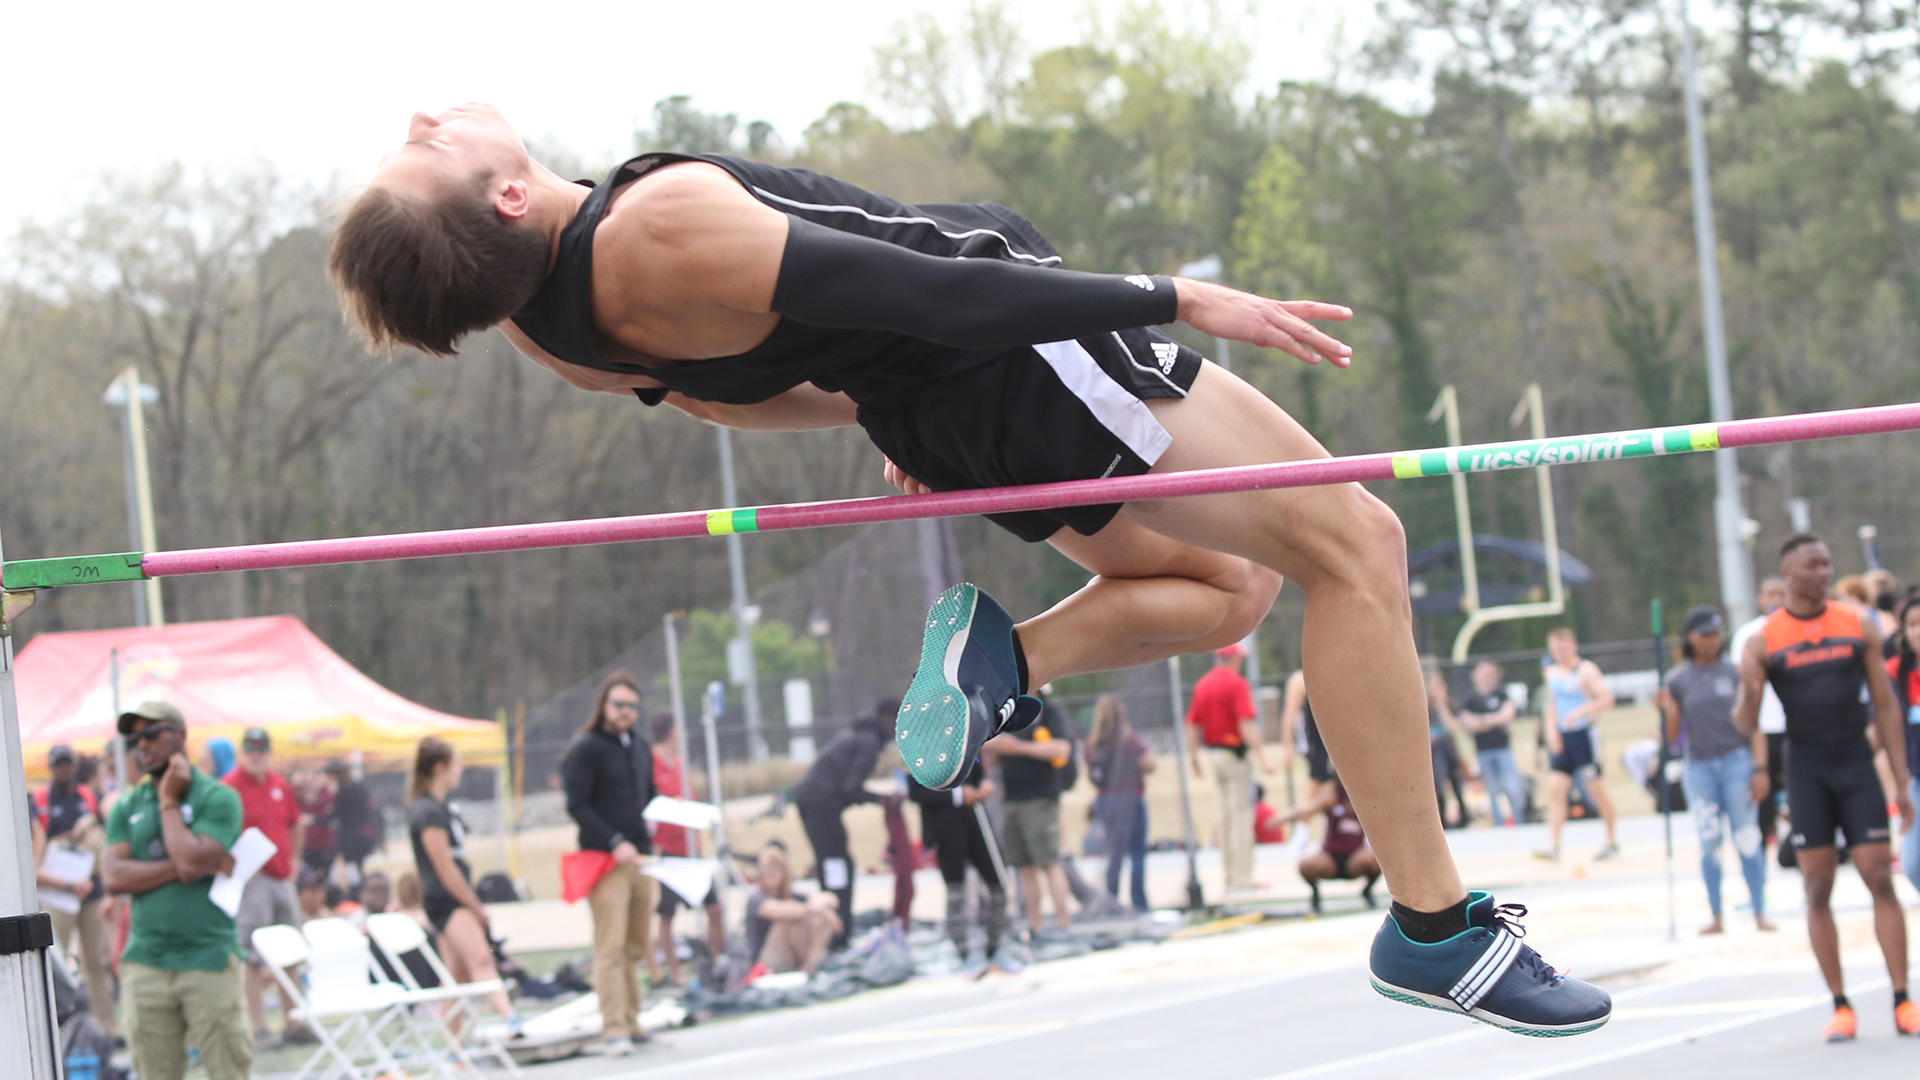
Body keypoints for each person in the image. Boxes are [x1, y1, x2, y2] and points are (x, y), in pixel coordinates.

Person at [334, 104, 1608, 1034]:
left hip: (951, 413)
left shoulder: (553, 332)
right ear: (504, 198)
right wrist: (1170, 298)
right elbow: (937, 292)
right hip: (1021, 362)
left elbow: (741, 397)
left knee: (1239, 593)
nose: (428, 114)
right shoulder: (657, 224)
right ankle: (1435, 928)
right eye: (430, 143)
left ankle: (1010, 661)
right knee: (1361, 548)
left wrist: (889, 419)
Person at [1735, 533, 1916, 1041]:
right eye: (1814, 565)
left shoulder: (1855, 623)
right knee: (1817, 887)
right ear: (1788, 574)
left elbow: (1885, 705)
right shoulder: (1763, 639)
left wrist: (1901, 781)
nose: (1824, 571)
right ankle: (1841, 1005)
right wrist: (1749, 691)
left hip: (1856, 765)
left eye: (1827, 563)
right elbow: (1744, 722)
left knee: (1879, 877)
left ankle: (1903, 999)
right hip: (1807, 770)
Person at [101, 701, 251, 1080]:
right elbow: (114, 877)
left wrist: (169, 801)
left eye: (152, 734)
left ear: (181, 735)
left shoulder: (218, 797)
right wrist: (190, 865)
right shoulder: (127, 805)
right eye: (134, 739)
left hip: (209, 957)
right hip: (146, 961)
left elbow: (188, 862)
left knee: (228, 1072)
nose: (142, 746)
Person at [1657, 606, 1774, 936]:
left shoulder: (1735, 672)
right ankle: (1716, 913)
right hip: (1700, 766)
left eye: (1716, 634)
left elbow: (1754, 724)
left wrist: (1760, 767)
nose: (1713, 640)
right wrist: (1667, 710)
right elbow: (1672, 736)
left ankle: (1759, 909)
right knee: (1709, 841)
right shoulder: (1677, 679)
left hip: (1737, 760)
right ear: (1690, 638)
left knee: (1747, 836)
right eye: (1705, 634)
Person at [560, 672, 656, 1054]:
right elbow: (577, 805)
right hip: (605, 860)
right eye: (618, 705)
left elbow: (648, 797)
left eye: (632, 706)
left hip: (642, 858)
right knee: (611, 945)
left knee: (636, 944)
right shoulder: (586, 748)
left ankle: (632, 1021)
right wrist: (614, 841)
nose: (625, 712)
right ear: (604, 705)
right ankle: (613, 1026)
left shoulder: (639, 747)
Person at [406, 737, 520, 1035]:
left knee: (455, 974)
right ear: (440, 768)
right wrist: (474, 905)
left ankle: (456, 1050)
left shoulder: (442, 808)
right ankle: (510, 1018)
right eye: (455, 765)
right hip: (446, 899)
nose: (459, 772)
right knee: (481, 958)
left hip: (451, 897)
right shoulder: (427, 811)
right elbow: (444, 866)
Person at [222, 727, 307, 1048]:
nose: (256, 753)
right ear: (243, 752)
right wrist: (239, 865)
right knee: (254, 957)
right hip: (252, 880)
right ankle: (258, 1028)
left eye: (261, 748)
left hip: (281, 877)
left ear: (269, 752)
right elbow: (220, 830)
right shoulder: (230, 787)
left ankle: (293, 1022)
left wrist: (296, 859)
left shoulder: (278, 785)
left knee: (291, 951)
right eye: (250, 748)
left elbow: (296, 822)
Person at [788, 702, 890, 950]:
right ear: (887, 719)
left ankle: (835, 929)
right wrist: (881, 800)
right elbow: (850, 787)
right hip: (822, 807)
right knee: (837, 866)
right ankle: (837, 933)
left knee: (833, 864)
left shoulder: (855, 736)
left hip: (813, 803)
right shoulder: (868, 744)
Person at [35, 742, 118, 1035]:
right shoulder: (43, 800)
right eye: (59, 764)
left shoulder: (87, 797)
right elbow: (37, 849)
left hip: (89, 888)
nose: (64, 769)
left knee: (98, 959)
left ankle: (107, 1027)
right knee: (55, 959)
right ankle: (60, 1028)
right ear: (52, 767)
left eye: (67, 763)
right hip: (58, 891)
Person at [645, 708, 724, 987]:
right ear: (672, 731)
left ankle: (717, 961)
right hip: (669, 851)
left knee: (714, 908)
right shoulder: (650, 764)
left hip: (692, 849)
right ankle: (673, 972)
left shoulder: (681, 764)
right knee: (666, 915)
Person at [907, 761, 1010, 974]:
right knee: (956, 892)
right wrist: (958, 795)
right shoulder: (920, 740)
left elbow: (979, 769)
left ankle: (995, 949)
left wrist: (984, 785)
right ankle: (964, 955)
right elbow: (916, 791)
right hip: (945, 821)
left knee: (999, 885)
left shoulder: (968, 731)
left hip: (976, 816)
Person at [987, 691, 1075, 935]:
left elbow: (1061, 750)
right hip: (1012, 798)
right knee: (1024, 868)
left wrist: (1018, 748)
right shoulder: (1008, 710)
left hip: (1040, 798)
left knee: (1049, 862)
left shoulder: (1050, 710)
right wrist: (997, 748)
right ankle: (1034, 925)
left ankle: (1062, 923)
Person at [1185, 643, 1270, 890]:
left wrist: (1194, 760)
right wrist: (1261, 756)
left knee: (1224, 818)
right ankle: (1242, 877)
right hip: (1234, 757)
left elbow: (1191, 726)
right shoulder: (1236, 684)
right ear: (1231, 659)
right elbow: (1245, 725)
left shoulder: (1203, 685)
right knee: (1241, 817)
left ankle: (1229, 875)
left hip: (1214, 756)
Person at [1535, 628, 1620, 862]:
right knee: (1555, 790)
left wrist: (1581, 711)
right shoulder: (1552, 673)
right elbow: (1551, 705)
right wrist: (1551, 731)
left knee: (1595, 789)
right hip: (1564, 738)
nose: (1560, 653)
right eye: (1556, 649)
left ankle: (1611, 841)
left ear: (1573, 646)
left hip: (1584, 736)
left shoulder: (1586, 671)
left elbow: (1606, 699)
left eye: (1564, 648)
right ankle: (1554, 846)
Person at [1732, 577, 1792, 845]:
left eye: (1781, 593)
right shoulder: (1748, 635)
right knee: (1763, 802)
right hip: (1764, 729)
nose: (1776, 600)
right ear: (1760, 599)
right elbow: (1742, 684)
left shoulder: (1794, 629)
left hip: (1792, 726)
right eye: (1770, 594)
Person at [1274, 771, 1380, 914]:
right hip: (1330, 859)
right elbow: (1306, 810)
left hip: (1354, 859)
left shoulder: (1365, 801)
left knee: (1378, 858)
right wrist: (1280, 819)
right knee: (1306, 864)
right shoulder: (1331, 799)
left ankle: (1367, 891)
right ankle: (1315, 893)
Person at [1086, 694, 1152, 911]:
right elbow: (1149, 764)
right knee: (1136, 852)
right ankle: (1138, 903)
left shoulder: (1094, 743)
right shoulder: (1130, 740)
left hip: (1106, 800)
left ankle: (1111, 902)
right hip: (1131, 797)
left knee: (1114, 853)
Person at [743, 843, 840, 977]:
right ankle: (809, 967)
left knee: (819, 919)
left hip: (791, 956)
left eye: (775, 867)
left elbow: (830, 898)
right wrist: (815, 910)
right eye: (766, 867)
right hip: (765, 963)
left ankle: (811, 965)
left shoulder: (792, 896)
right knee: (787, 921)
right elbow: (779, 911)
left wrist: (823, 911)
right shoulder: (756, 900)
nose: (770, 871)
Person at [1458, 662, 1524, 828]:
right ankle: (1498, 825)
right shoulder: (1470, 699)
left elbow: (1507, 715)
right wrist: (1494, 719)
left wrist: (1481, 720)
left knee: (1512, 787)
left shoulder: (1501, 694)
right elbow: (1467, 723)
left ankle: (1519, 822)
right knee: (1492, 791)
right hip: (1483, 751)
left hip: (1503, 749)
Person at [1889, 595, 1920, 894]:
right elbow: (1883, 723)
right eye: (1912, 625)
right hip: (1916, 780)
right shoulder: (1895, 671)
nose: (1917, 631)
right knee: (1912, 865)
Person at [327, 760, 381, 891]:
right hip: (365, 835)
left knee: (353, 871)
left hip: (351, 838)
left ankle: (357, 895)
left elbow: (335, 815)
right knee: (359, 868)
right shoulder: (360, 788)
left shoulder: (342, 792)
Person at [1426, 670, 1469, 829]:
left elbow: (1453, 726)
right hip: (1435, 752)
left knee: (1456, 783)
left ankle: (1464, 817)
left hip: (1450, 750)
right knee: (1438, 785)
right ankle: (1442, 820)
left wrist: (1442, 706)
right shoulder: (1425, 708)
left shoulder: (1452, 705)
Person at [294, 766, 338, 878]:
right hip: (306, 844)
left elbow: (333, 809)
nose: (310, 778)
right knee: (308, 877)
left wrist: (324, 785)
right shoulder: (298, 796)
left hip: (324, 843)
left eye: (313, 775)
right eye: (307, 775)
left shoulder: (324, 795)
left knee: (325, 876)